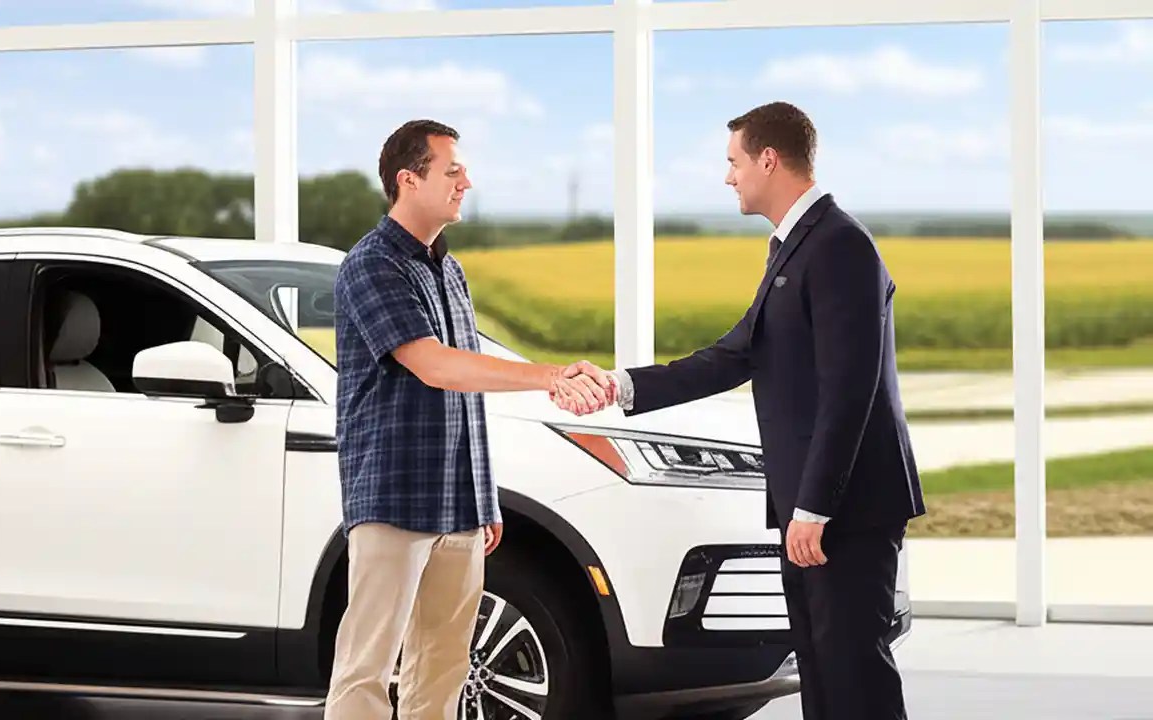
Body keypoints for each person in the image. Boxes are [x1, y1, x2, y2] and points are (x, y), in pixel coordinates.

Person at [599, 102, 926, 720]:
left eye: (734, 162)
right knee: (824, 676)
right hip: (813, 507)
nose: (729, 178)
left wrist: (815, 506)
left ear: (768, 160)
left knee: (855, 676)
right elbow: (732, 356)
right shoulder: (794, 246)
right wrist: (619, 386)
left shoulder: (839, 245)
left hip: (845, 509)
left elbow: (850, 390)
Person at [324, 118, 613, 720]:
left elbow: (467, 385)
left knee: (444, 668)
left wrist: (482, 497)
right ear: (409, 179)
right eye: (452, 171)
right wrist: (548, 375)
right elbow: (434, 366)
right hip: (393, 501)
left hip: (457, 506)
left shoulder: (449, 271)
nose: (466, 182)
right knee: (367, 668)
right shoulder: (371, 265)